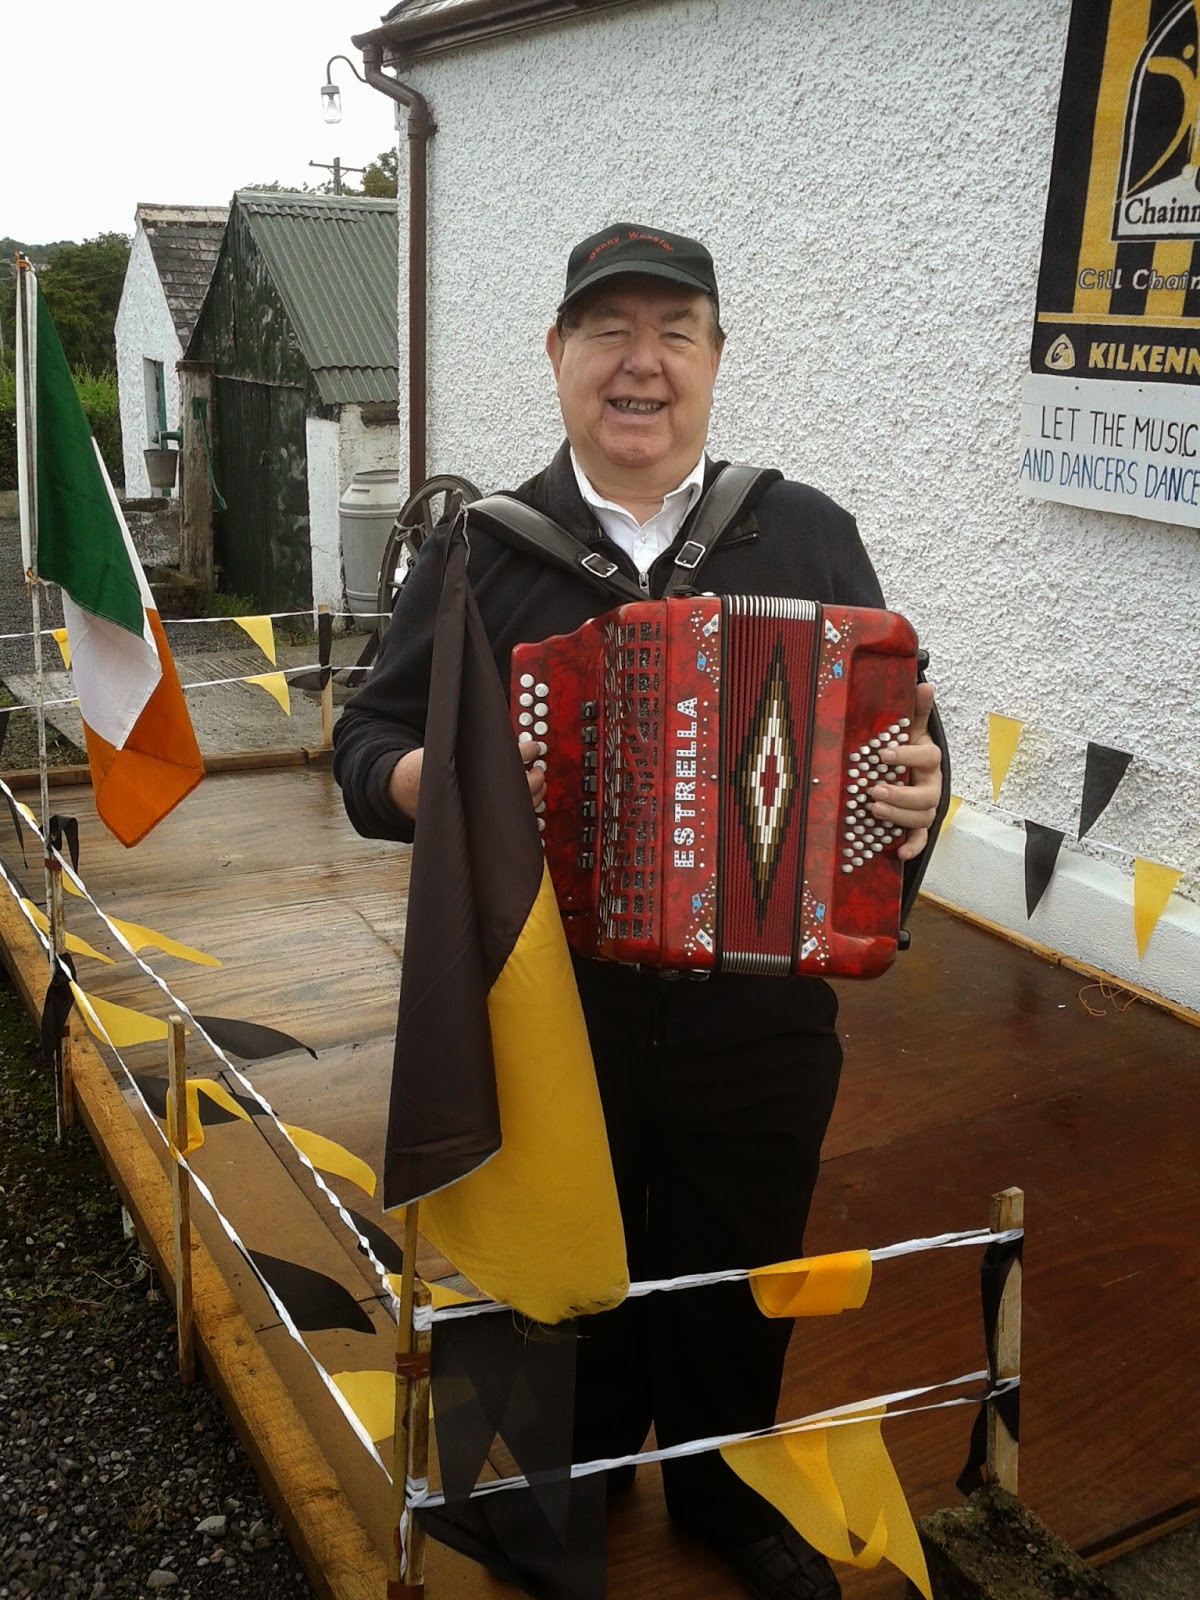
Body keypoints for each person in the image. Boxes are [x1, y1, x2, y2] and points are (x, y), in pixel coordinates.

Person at [333, 223, 946, 1600]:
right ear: (558, 355)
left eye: (674, 331)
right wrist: (438, 780)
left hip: (757, 1021)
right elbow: (365, 743)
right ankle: (572, 1486)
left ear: (716, 360)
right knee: (562, 1276)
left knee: (739, 1272)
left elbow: (898, 735)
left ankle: (729, 1494)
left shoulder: (805, 530)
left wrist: (920, 793)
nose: (641, 362)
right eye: (608, 330)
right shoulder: (483, 551)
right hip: (555, 1011)